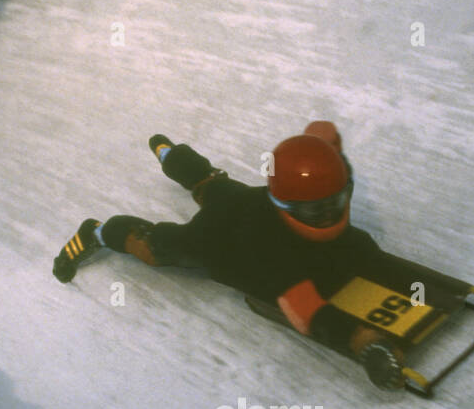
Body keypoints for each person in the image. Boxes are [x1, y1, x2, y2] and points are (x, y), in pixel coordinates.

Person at [52, 122, 406, 389]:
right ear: (288, 207)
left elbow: (322, 136)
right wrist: (364, 342)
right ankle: (98, 230)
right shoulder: (274, 260)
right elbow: (306, 311)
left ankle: (168, 153)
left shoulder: (298, 201)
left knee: (211, 184)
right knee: (156, 245)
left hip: (243, 201)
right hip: (212, 241)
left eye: (337, 202)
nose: (330, 216)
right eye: (317, 211)